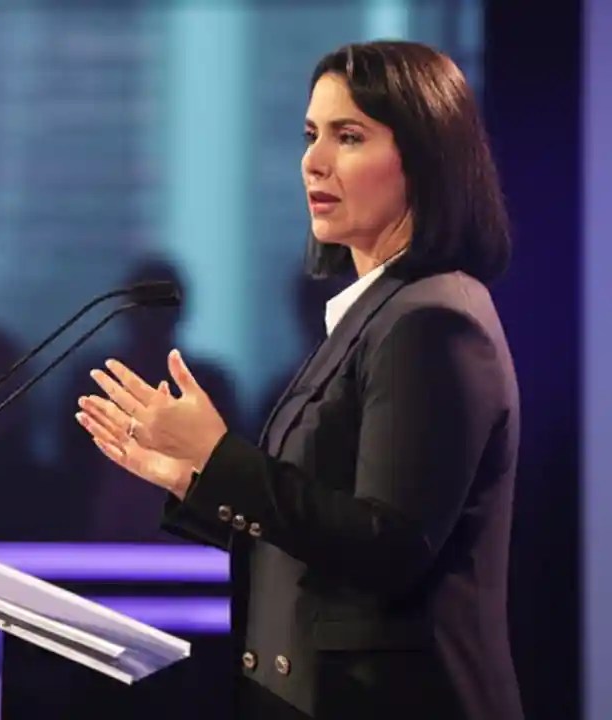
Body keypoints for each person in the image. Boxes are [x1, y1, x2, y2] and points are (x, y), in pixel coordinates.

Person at [74, 40, 523, 719]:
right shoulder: (377, 314)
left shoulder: (432, 322)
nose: (313, 161)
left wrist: (219, 460)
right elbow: (320, 536)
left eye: (349, 137)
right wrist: (194, 480)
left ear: (425, 158)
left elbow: (389, 547)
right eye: (311, 135)